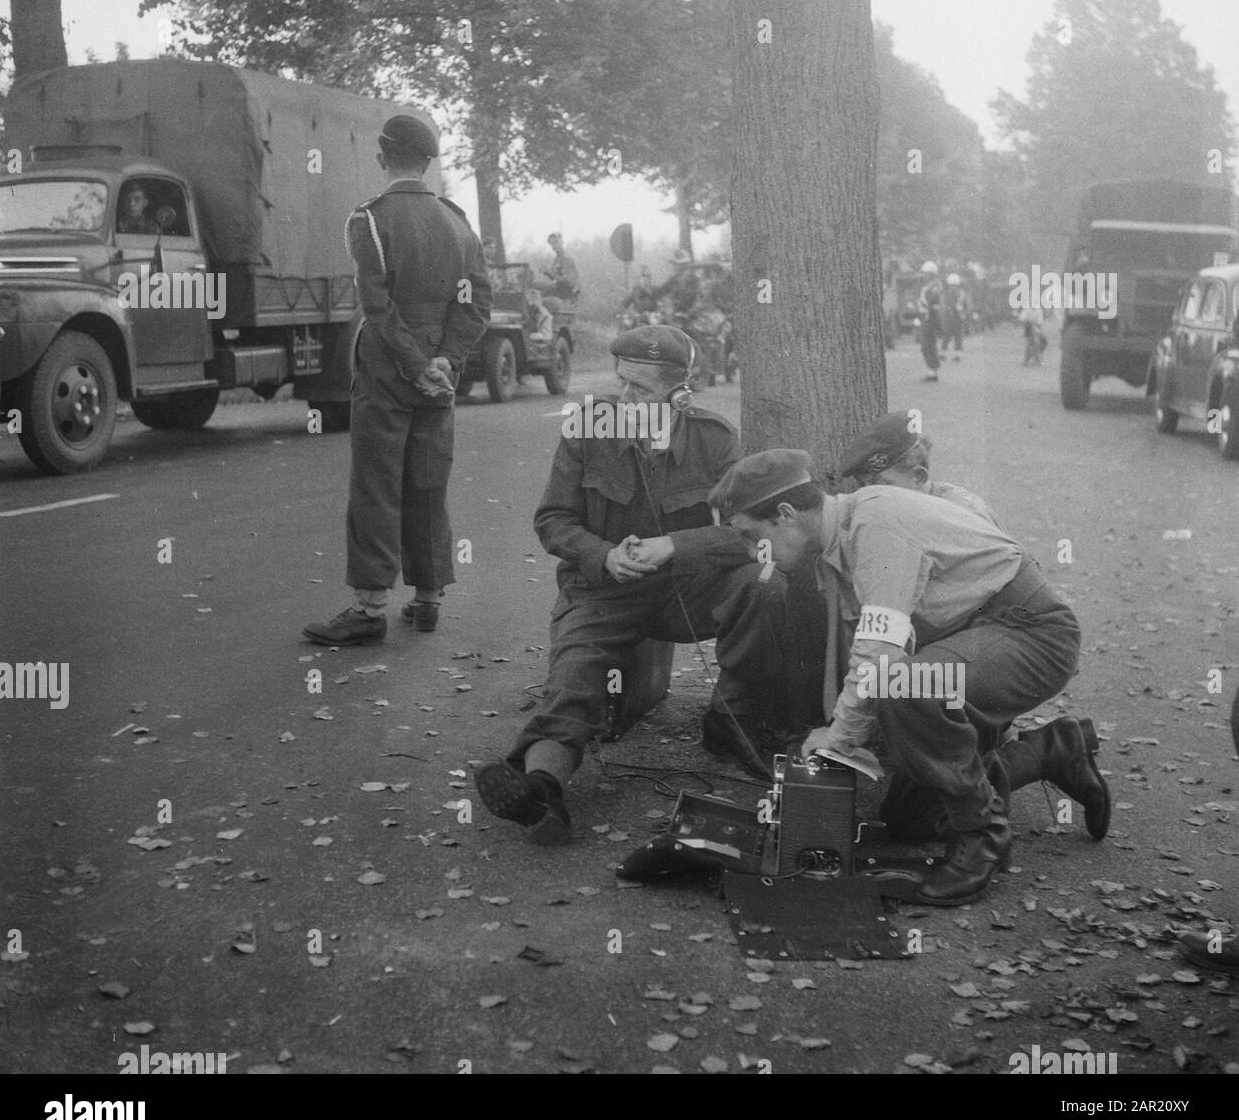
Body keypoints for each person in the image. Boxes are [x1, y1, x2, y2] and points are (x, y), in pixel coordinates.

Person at [709, 449, 1110, 907]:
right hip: (975, 640)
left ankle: (985, 840)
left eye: (750, 536)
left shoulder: (875, 524)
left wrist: (839, 738)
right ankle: (1056, 750)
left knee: (903, 686)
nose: (750, 553)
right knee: (912, 820)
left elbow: (879, 656)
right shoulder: (836, 541)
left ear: (784, 515)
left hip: (1031, 633)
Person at [474, 325, 791, 845]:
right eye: (621, 382)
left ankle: (733, 717)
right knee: (573, 675)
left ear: (680, 394)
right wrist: (603, 556)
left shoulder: (714, 439)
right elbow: (553, 519)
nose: (623, 398)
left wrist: (677, 546)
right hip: (604, 590)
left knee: (765, 582)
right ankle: (542, 788)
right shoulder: (586, 428)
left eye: (639, 390)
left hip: (687, 589)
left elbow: (751, 531)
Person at [304, 114, 491, 646]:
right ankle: (428, 599)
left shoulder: (369, 219)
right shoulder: (458, 221)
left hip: (389, 365)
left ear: (383, 156)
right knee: (429, 481)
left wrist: (414, 362)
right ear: (428, 161)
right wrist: (446, 362)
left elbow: (377, 307)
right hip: (439, 370)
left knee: (377, 484)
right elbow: (479, 303)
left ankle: (368, 609)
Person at [839, 409, 1001, 527]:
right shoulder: (901, 512)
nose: (870, 495)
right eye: (863, 486)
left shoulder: (961, 514)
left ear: (918, 477)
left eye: (882, 485)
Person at [536, 232, 580, 305]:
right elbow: (556, 277)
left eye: (556, 242)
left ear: (562, 242)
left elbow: (568, 281)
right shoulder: (558, 258)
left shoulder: (566, 258)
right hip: (559, 290)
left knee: (536, 295)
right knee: (534, 287)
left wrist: (550, 272)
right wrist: (547, 273)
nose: (554, 246)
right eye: (551, 243)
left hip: (566, 293)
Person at [917, 261, 944, 381]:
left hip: (930, 318)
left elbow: (932, 301)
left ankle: (933, 371)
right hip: (926, 317)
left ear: (932, 274)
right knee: (926, 345)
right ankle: (932, 370)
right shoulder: (928, 285)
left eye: (926, 273)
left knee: (928, 344)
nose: (924, 275)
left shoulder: (935, 286)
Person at [942, 273, 969, 358]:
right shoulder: (946, 294)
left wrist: (964, 313)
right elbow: (943, 304)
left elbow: (967, 306)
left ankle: (958, 354)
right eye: (951, 285)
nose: (952, 287)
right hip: (949, 317)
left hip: (958, 317)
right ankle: (943, 353)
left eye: (954, 285)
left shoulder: (962, 294)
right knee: (947, 335)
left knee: (958, 336)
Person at [524, 284, 553, 356]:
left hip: (543, 336)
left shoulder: (540, 311)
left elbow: (536, 326)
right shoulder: (543, 310)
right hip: (545, 335)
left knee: (527, 336)